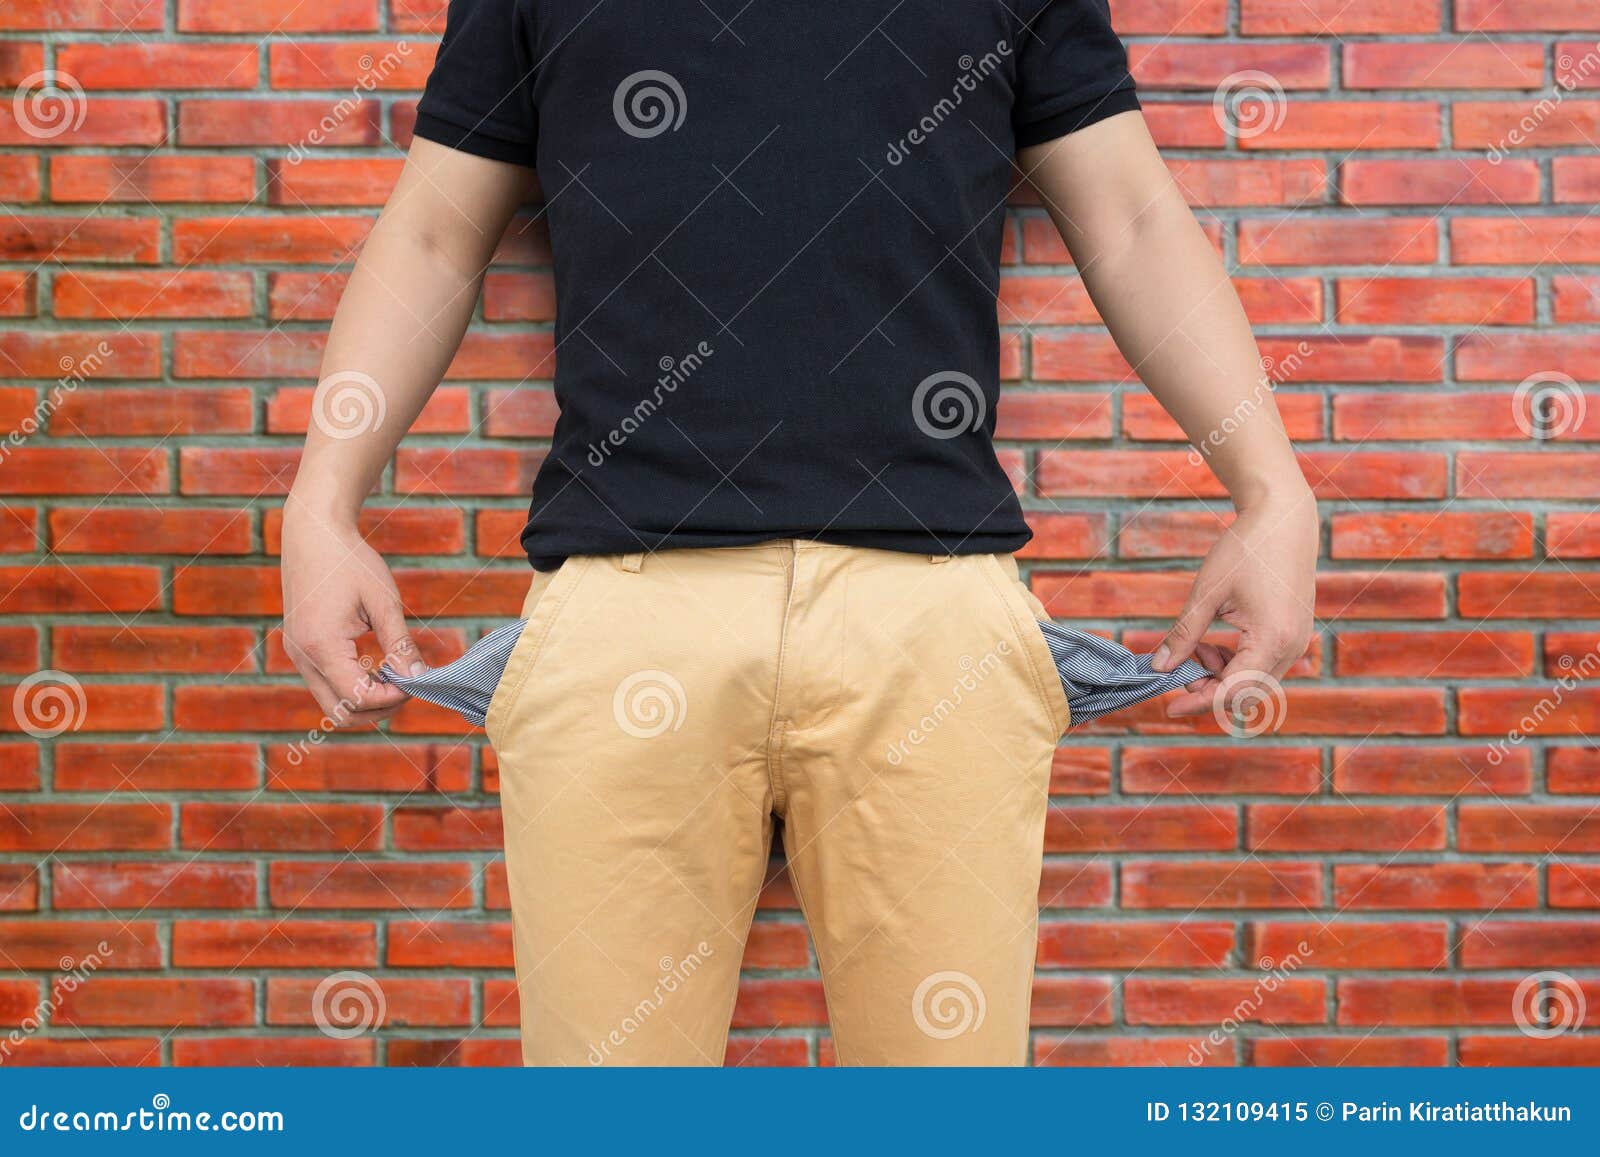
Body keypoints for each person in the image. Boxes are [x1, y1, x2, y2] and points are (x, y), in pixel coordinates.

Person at [280, 0, 1317, 1065]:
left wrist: (1271, 489)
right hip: (624, 613)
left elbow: (1131, 215)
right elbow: (435, 228)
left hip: (928, 619)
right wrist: (321, 498)